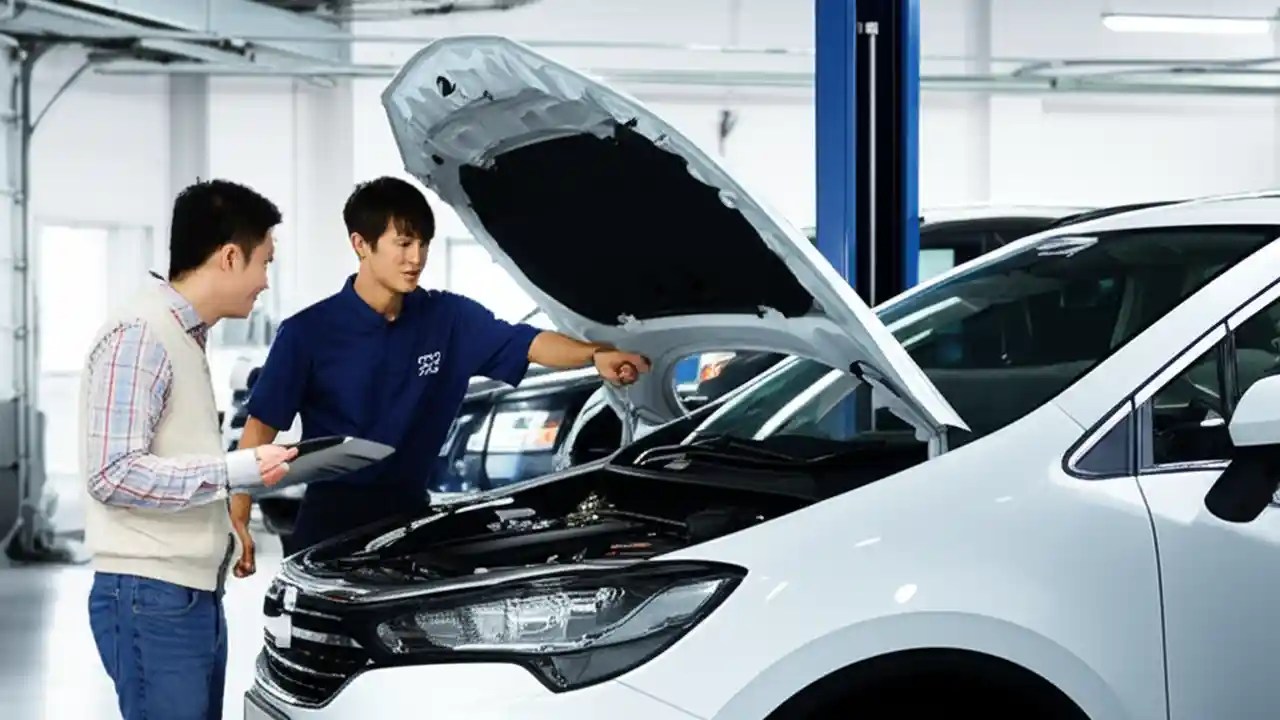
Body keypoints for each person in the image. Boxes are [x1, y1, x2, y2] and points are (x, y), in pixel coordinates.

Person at [232, 176, 650, 562]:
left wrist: (596, 355)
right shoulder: (307, 333)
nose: (416, 258)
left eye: (424, 244)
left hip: (411, 520)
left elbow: (529, 343)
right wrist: (238, 517)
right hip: (329, 526)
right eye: (403, 244)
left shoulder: (448, 319)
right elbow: (259, 431)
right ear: (361, 244)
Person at [82, 179, 300, 720]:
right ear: (229, 257)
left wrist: (224, 524)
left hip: (185, 593)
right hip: (151, 596)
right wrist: (236, 471)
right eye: (264, 263)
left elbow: (168, 455)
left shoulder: (183, 335)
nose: (265, 282)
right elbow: (112, 473)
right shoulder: (141, 335)